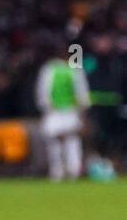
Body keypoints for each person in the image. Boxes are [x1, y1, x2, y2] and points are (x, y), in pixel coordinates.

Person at [35, 49, 91, 181]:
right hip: (70, 111)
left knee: (55, 142)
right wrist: (83, 113)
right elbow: (82, 93)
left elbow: (42, 92)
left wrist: (45, 109)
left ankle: (57, 172)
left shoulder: (48, 69)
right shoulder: (74, 69)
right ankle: (73, 171)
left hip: (55, 111)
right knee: (72, 141)